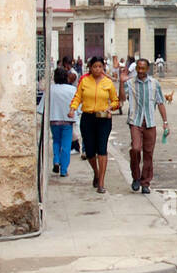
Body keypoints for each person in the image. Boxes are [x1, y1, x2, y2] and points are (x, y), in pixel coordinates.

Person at [69, 57, 119, 193]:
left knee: (102, 148)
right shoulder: (84, 81)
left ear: (103, 68)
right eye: (95, 67)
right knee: (90, 150)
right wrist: (72, 109)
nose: (97, 69)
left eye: (100, 67)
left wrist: (110, 108)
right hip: (88, 118)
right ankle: (96, 172)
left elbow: (115, 101)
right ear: (90, 68)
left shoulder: (108, 83)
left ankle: (101, 182)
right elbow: (78, 96)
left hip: (103, 118)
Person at [121, 57, 169, 194]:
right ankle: (136, 177)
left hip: (150, 122)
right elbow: (122, 99)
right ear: (136, 69)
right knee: (135, 149)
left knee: (148, 153)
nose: (141, 71)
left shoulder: (155, 84)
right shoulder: (130, 83)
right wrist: (121, 81)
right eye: (138, 68)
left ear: (147, 69)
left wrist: (165, 122)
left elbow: (160, 103)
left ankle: (145, 182)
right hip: (135, 121)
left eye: (143, 68)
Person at [41, 67, 78, 178]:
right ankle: (64, 170)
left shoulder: (50, 89)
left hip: (54, 120)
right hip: (67, 121)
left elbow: (42, 107)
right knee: (66, 145)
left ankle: (56, 161)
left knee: (56, 141)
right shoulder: (72, 89)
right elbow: (78, 106)